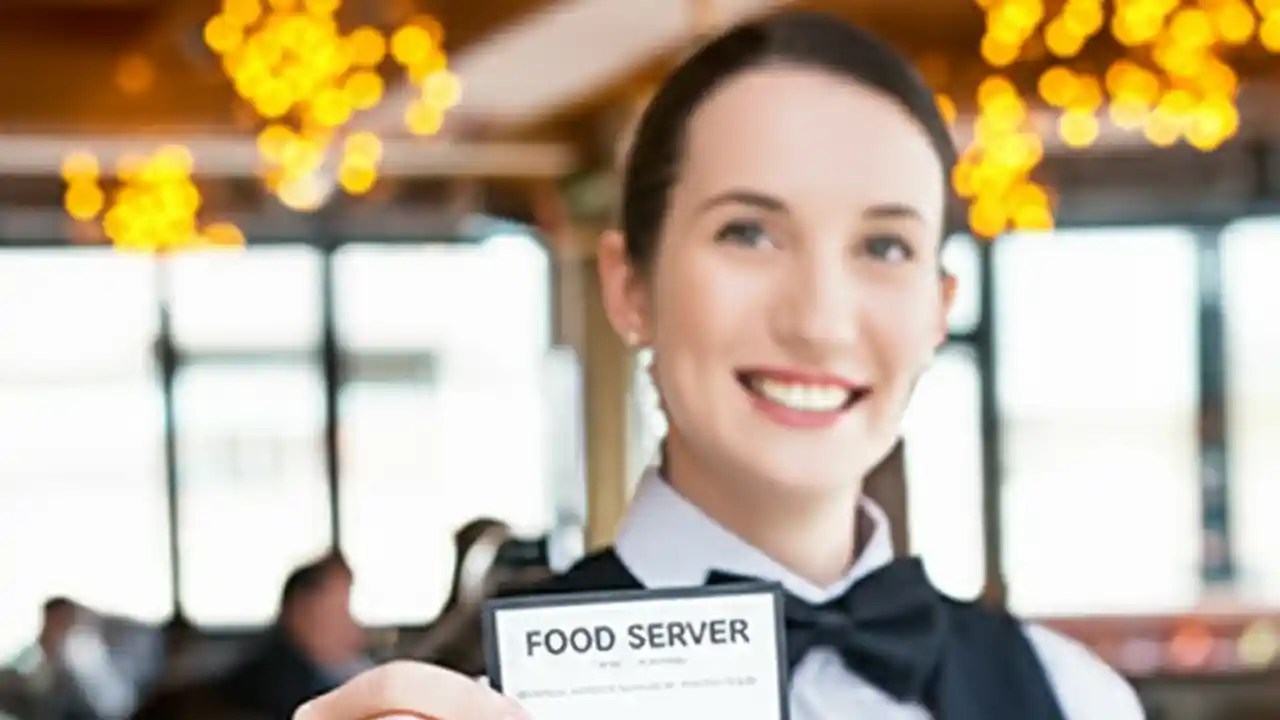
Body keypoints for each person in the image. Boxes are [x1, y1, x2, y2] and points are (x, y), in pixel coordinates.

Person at [295, 10, 1145, 720]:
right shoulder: (460, 695)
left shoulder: (1074, 697)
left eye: (884, 245)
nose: (819, 319)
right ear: (629, 287)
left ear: (938, 309)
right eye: (748, 232)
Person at [219, 553, 369, 720]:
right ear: (300, 610)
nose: (351, 624)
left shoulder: (343, 667)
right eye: (339, 609)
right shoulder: (273, 683)